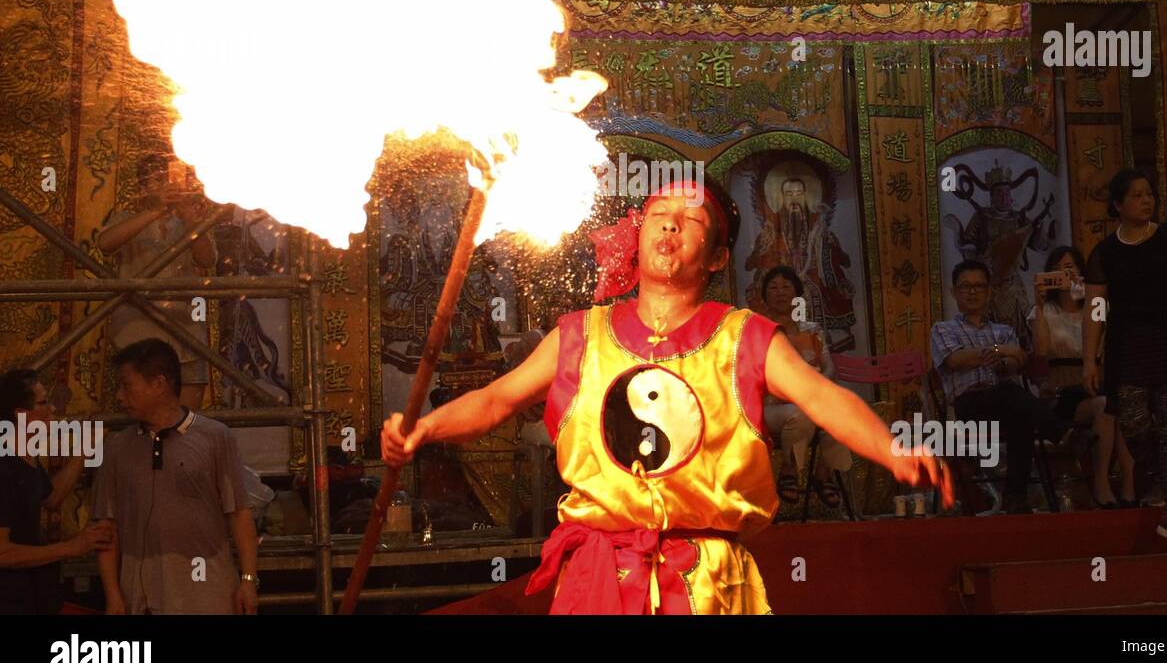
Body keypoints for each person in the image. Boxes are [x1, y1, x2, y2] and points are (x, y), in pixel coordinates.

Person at [383, 177, 950, 614]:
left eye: (690, 219)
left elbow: (824, 398)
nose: (670, 226)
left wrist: (893, 449)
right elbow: (496, 401)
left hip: (706, 580)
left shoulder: (745, 337)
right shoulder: (580, 334)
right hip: (601, 574)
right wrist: (422, 430)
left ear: (719, 256)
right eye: (658, 215)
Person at [1083, 169, 1167, 547]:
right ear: (1118, 204)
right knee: (1134, 423)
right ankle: (1161, 472)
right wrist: (1089, 358)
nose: (1147, 201)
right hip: (1127, 352)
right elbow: (1096, 306)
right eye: (1138, 195)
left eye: (1150, 195)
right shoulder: (1105, 252)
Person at [92, 339, 259, 614]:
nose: (119, 396)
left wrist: (249, 581)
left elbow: (239, 514)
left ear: (158, 384)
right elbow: (106, 530)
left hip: (208, 594)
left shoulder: (214, 437)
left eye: (127, 385)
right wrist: (113, 595)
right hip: (143, 598)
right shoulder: (117, 448)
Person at [932, 260, 1087, 514]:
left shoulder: (1003, 330)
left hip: (1005, 402)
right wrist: (999, 352)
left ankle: (1015, 498)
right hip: (969, 406)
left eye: (979, 286)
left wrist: (1002, 361)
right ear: (954, 292)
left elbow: (1017, 363)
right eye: (965, 286)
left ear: (989, 291)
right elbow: (954, 359)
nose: (973, 291)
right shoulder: (943, 329)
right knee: (1012, 394)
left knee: (1018, 409)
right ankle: (1061, 432)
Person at [97, 155, 216, 410]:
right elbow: (105, 244)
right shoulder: (127, 218)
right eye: (159, 180)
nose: (168, 187)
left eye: (172, 179)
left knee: (186, 422)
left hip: (185, 332)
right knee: (138, 419)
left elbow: (208, 259)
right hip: (137, 335)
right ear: (142, 189)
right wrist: (155, 211)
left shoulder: (189, 222)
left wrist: (190, 219)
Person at [1028, 246, 1135, 508]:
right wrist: (1039, 305)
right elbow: (1041, 350)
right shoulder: (1044, 311)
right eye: (1060, 267)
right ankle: (1101, 483)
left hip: (1096, 383)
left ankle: (1129, 485)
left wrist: (1092, 297)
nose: (1067, 272)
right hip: (1062, 389)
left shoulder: (1095, 308)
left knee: (1121, 405)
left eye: (1072, 267)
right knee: (1107, 406)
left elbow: (1112, 341)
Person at [0, 369, 114, 614]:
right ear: (21, 415)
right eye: (43, 403)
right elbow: (2, 552)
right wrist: (71, 547)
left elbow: (51, 499)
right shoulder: (4, 467)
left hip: (29, 594)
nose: (52, 409)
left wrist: (84, 450)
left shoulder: (24, 457)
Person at [758, 265, 851, 510]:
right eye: (774, 287)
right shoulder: (755, 331)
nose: (780, 292)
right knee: (801, 413)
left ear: (797, 295)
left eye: (786, 286)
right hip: (768, 410)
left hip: (810, 401)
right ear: (765, 296)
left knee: (841, 412)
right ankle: (789, 468)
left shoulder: (812, 330)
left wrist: (821, 383)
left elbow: (829, 367)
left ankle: (823, 473)